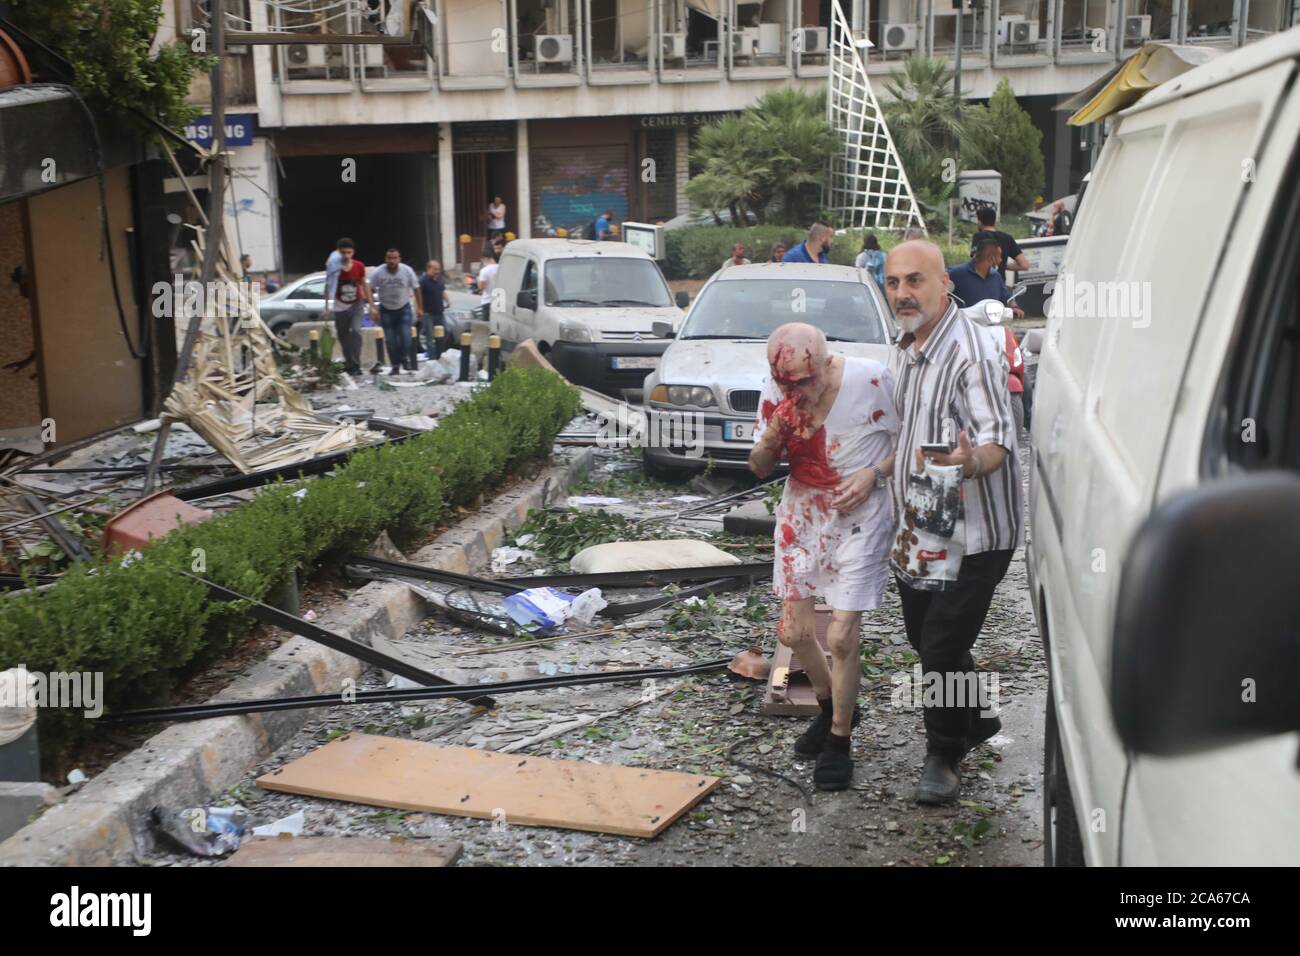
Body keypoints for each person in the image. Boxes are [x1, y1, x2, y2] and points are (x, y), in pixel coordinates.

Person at [882, 239, 1023, 806]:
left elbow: (997, 443)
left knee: (939, 647)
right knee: (924, 639)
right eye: (893, 282)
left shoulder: (972, 352)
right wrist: (874, 473)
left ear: (946, 284)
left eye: (915, 280)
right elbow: (906, 430)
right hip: (920, 527)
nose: (902, 293)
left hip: (975, 536)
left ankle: (944, 752)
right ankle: (974, 717)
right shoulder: (904, 345)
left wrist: (970, 462)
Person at [749, 323, 899, 791]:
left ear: (825, 363)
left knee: (840, 635)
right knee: (792, 632)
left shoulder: (871, 379)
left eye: (802, 381)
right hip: (803, 512)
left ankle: (839, 741)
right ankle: (832, 705)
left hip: (860, 511)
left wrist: (874, 473)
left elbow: (911, 437)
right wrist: (775, 431)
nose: (795, 389)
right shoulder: (777, 394)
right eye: (785, 382)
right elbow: (758, 467)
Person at [370, 248, 423, 375]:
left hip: (403, 308)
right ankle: (395, 365)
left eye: (395, 258)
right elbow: (369, 289)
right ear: (385, 259)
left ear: (399, 259)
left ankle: (404, 358)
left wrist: (420, 307)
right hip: (386, 310)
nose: (392, 261)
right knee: (390, 340)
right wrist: (372, 307)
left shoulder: (407, 271)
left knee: (406, 337)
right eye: (389, 258)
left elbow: (416, 288)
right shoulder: (378, 272)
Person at [325, 238, 374, 375]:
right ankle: (349, 363)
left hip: (356, 304)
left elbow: (364, 285)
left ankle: (356, 364)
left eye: (349, 252)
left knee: (355, 331)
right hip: (340, 306)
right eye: (343, 253)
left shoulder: (359, 266)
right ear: (338, 253)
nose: (346, 256)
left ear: (353, 252)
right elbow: (327, 285)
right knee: (343, 336)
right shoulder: (334, 268)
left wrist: (372, 306)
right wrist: (326, 307)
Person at [947, 238, 1022, 317]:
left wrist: (1014, 307)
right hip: (963, 325)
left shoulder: (996, 277)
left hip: (990, 326)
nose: (1000, 260)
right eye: (999, 256)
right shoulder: (955, 273)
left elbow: (1006, 297)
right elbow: (940, 293)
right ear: (991, 258)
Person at [970, 207, 1029, 282]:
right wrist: (1002, 266)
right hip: (1000, 286)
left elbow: (975, 261)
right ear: (994, 222)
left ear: (979, 222)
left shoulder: (979, 236)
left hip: (983, 285)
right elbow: (1024, 265)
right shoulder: (1007, 238)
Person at [419, 259, 451, 358]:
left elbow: (442, 291)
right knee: (429, 337)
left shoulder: (439, 279)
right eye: (435, 269)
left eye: (439, 269)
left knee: (445, 332)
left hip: (439, 312)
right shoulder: (423, 281)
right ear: (429, 268)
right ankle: (432, 358)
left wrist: (448, 301)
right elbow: (417, 295)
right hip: (428, 313)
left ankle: (438, 353)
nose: (437, 271)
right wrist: (419, 309)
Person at [476, 250, 499, 322]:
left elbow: (482, 287)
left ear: (485, 258)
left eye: (482, 260)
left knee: (487, 325)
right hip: (500, 300)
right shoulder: (501, 267)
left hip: (488, 301)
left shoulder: (485, 270)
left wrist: (478, 279)